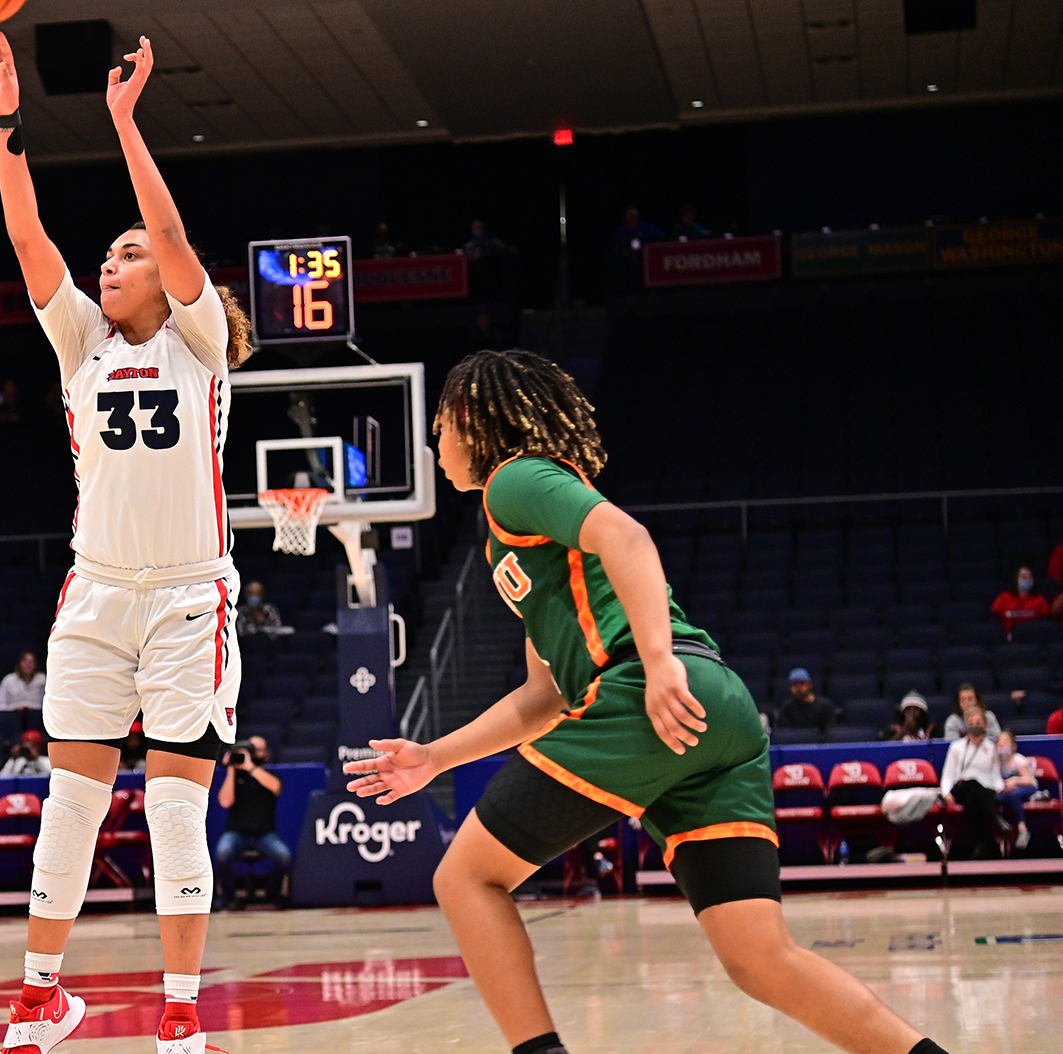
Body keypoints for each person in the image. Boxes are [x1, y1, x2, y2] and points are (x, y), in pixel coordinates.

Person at [343, 349, 950, 1054]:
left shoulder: (515, 480)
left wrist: (657, 664)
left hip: (651, 690)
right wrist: (434, 758)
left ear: (475, 423)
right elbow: (543, 696)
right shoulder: (520, 540)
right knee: (761, 959)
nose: (433, 445)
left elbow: (627, 534)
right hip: (715, 710)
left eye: (440, 425)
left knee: (466, 877)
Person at [0, 29, 255, 1054]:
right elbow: (27, 236)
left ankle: (182, 1012)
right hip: (96, 597)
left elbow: (172, 233)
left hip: (188, 598)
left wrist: (124, 123)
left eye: (127, 254)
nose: (112, 261)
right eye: (112, 255)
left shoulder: (199, 345)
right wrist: (7, 125)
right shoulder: (82, 342)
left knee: (175, 811)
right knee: (70, 806)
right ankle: (41, 995)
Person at [213, 737, 291, 908]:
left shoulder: (269, 775)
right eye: (251, 749)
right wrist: (232, 770)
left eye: (258, 750)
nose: (254, 753)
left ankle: (272, 895)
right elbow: (225, 802)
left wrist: (250, 767)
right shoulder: (235, 777)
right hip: (236, 833)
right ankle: (229, 898)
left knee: (283, 856)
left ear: (267, 753)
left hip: (264, 833)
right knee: (222, 852)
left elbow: (275, 786)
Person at [941, 709, 1008, 860]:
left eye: (979, 722)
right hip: (961, 787)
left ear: (985, 724)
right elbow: (948, 774)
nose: (975, 725)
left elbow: (996, 775)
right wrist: (946, 793)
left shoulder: (992, 748)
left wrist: (1000, 788)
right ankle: (996, 819)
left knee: (973, 799)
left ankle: (980, 846)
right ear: (966, 725)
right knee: (971, 782)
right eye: (972, 722)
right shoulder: (956, 747)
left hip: (985, 790)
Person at [996, 731, 1039, 852]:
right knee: (997, 798)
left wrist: (1015, 781)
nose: (1002, 745)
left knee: (1014, 795)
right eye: (999, 742)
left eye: (1005, 742)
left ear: (1013, 746)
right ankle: (1004, 828)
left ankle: (1022, 829)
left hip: (1027, 787)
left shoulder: (1018, 759)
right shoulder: (996, 762)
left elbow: (1029, 780)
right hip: (1006, 791)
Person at [990, 565, 1049, 634]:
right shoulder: (1003, 597)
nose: (1027, 579)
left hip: (1033, 636)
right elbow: (994, 619)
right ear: (1016, 579)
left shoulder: (1040, 599)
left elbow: (1045, 622)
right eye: (1023, 577)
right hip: (1008, 637)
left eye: (1030, 577)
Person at [776, 668, 839, 733]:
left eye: (802, 684)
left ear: (810, 685)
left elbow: (830, 731)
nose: (798, 688)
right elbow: (785, 731)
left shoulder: (825, 705)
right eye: (795, 685)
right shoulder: (787, 706)